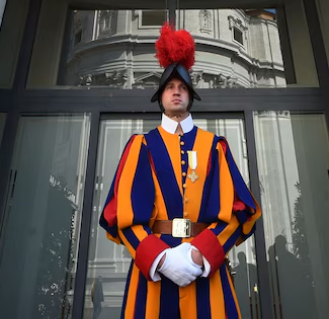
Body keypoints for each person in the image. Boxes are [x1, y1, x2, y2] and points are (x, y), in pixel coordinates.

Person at [99, 24, 261, 319]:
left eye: (183, 87)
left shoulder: (215, 147)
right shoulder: (141, 145)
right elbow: (121, 216)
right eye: (170, 87)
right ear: (161, 96)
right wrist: (160, 258)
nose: (177, 91)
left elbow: (240, 212)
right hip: (155, 272)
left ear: (190, 96)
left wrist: (199, 254)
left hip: (205, 269)